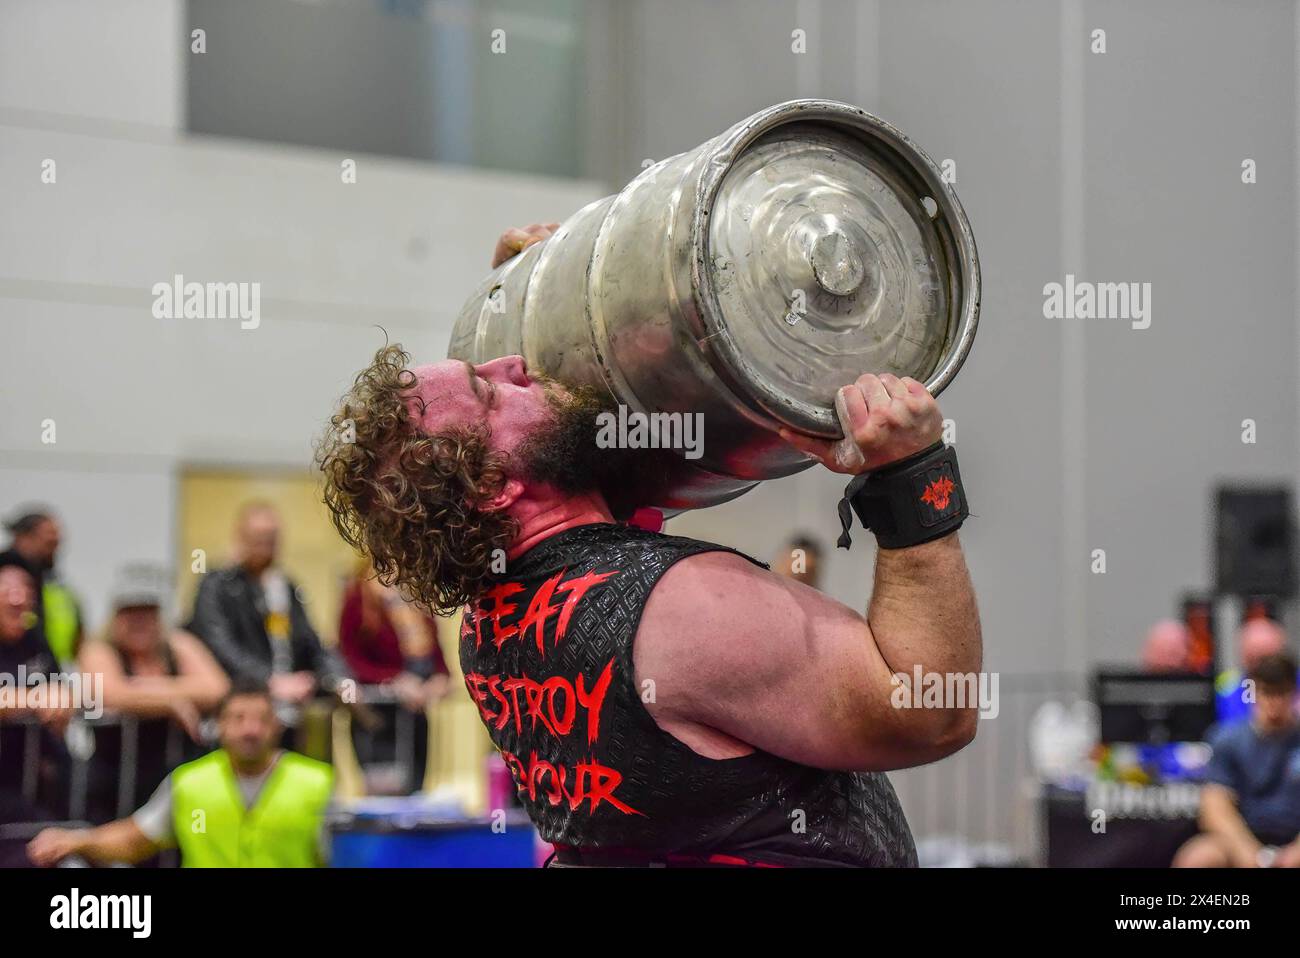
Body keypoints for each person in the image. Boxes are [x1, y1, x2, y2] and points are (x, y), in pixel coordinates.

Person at [314, 224, 981, 867]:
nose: (514, 364)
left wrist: (539, 297)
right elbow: (927, 712)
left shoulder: (491, 630)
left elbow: (590, 455)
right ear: (490, 488)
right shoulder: (679, 607)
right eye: (489, 390)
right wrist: (909, 475)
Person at [27, 680, 334, 868]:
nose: (250, 729)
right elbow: (135, 839)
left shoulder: (317, 783)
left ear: (278, 726)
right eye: (238, 718)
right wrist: (77, 841)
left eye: (261, 719)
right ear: (219, 725)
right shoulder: (190, 782)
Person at [78, 564, 229, 822]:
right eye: (130, 611)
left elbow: (218, 688)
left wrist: (148, 689)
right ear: (115, 616)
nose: (140, 620)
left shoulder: (178, 644)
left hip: (177, 780)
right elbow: (108, 693)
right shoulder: (98, 649)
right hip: (115, 790)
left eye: (147, 611)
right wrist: (172, 703)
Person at [186, 502, 347, 726]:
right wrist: (270, 681)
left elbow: (310, 640)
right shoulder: (218, 585)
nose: (265, 546)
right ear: (241, 537)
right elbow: (218, 643)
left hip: (287, 711)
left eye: (271, 538)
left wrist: (338, 679)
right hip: (237, 709)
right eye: (258, 538)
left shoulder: (285, 586)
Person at [1173, 652, 1300, 868]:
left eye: (1281, 693)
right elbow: (1215, 805)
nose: (1274, 703)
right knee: (1197, 858)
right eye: (1267, 693)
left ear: (1293, 693)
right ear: (1254, 692)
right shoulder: (1228, 739)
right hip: (1242, 835)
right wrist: (1246, 849)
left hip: (1293, 836)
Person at [338, 561, 449, 793]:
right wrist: (393, 680)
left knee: (416, 788)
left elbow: (435, 651)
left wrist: (440, 677)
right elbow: (349, 657)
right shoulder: (359, 596)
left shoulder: (418, 594)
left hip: (415, 710)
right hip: (377, 712)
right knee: (383, 790)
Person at [0, 554, 74, 829]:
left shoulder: (34, 639)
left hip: (40, 783)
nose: (19, 599)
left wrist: (61, 693)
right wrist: (33, 697)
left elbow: (61, 687)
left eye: (27, 589)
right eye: (7, 589)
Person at [0, 508, 84, 665]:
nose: (18, 599)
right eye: (49, 542)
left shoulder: (57, 587)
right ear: (23, 538)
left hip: (45, 664)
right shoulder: (6, 567)